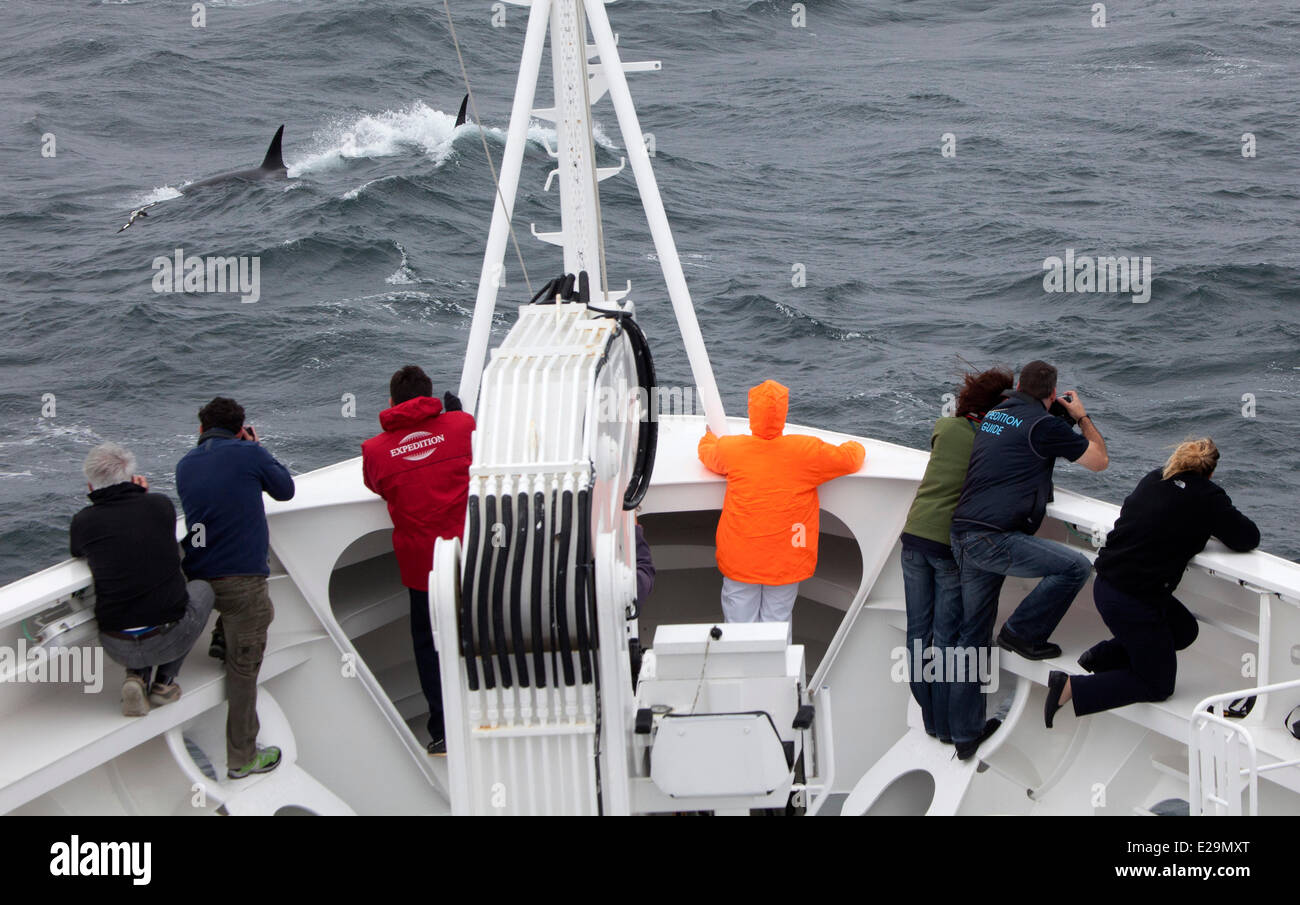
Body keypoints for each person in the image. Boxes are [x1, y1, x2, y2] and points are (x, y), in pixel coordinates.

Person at [944, 360, 1108, 759]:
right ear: (1052, 395)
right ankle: (1022, 632)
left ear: (1018, 385)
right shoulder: (1044, 425)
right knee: (1075, 567)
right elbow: (1099, 460)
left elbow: (1022, 442)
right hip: (992, 539)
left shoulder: (997, 414)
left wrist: (1052, 416)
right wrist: (1080, 416)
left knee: (971, 637)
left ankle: (964, 735)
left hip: (963, 532)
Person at [1045, 439, 1259, 726]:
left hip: (1110, 585)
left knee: (1183, 629)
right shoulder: (1208, 497)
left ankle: (1101, 657)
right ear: (1210, 472)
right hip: (1133, 601)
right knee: (1157, 685)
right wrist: (1210, 524)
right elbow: (1247, 537)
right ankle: (1071, 687)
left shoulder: (1155, 478)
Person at [176, 397, 295, 780]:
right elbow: (285, 490)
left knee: (261, 612)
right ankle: (242, 758)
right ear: (241, 428)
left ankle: (220, 637)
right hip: (241, 579)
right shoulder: (248, 453)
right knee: (243, 670)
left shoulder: (185, 465)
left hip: (197, 576)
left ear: (200, 429)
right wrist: (256, 447)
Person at [361, 366, 475, 756]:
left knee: (430, 647)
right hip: (470, 556)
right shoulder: (462, 426)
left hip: (421, 567)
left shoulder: (375, 451)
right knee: (480, 631)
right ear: (430, 397)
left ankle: (443, 730)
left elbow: (375, 484)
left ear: (392, 403)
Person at [899, 368, 1012, 744]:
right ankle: (948, 726)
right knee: (945, 640)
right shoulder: (989, 442)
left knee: (918, 634)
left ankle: (930, 720)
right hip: (948, 544)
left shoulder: (943, 428)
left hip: (914, 535)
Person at [698, 379, 864, 626]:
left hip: (740, 557)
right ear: (783, 413)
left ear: (751, 412)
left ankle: (740, 662)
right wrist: (855, 444)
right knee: (777, 621)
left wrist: (710, 436)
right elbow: (851, 458)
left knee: (737, 624)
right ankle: (774, 664)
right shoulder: (806, 451)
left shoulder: (732, 449)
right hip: (787, 559)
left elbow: (707, 451)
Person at [70, 442, 214, 717]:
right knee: (202, 589)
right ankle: (164, 683)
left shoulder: (83, 521)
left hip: (115, 643)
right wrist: (142, 494)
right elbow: (144, 524)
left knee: (133, 599)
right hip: (168, 638)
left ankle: (136, 676)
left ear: (91, 485)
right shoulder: (160, 506)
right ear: (132, 477)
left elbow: (77, 550)